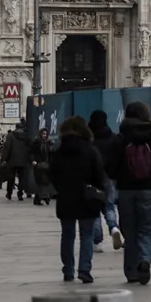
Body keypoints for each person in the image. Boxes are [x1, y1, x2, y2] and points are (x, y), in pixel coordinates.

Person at [103, 101, 151, 285]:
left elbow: (110, 164)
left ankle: (131, 272)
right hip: (149, 187)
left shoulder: (122, 136)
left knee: (130, 230)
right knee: (145, 227)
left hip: (126, 188)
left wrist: (118, 176)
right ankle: (145, 259)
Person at [48, 116, 107, 283]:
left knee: (67, 235)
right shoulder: (90, 150)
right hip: (87, 197)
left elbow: (53, 175)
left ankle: (68, 270)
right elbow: (99, 175)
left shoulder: (60, 151)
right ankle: (84, 270)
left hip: (66, 198)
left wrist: (61, 188)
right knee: (87, 235)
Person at [87, 109, 122, 251]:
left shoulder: (89, 139)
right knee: (109, 206)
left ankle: (97, 241)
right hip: (110, 177)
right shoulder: (113, 137)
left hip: (93, 178)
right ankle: (113, 227)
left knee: (94, 208)